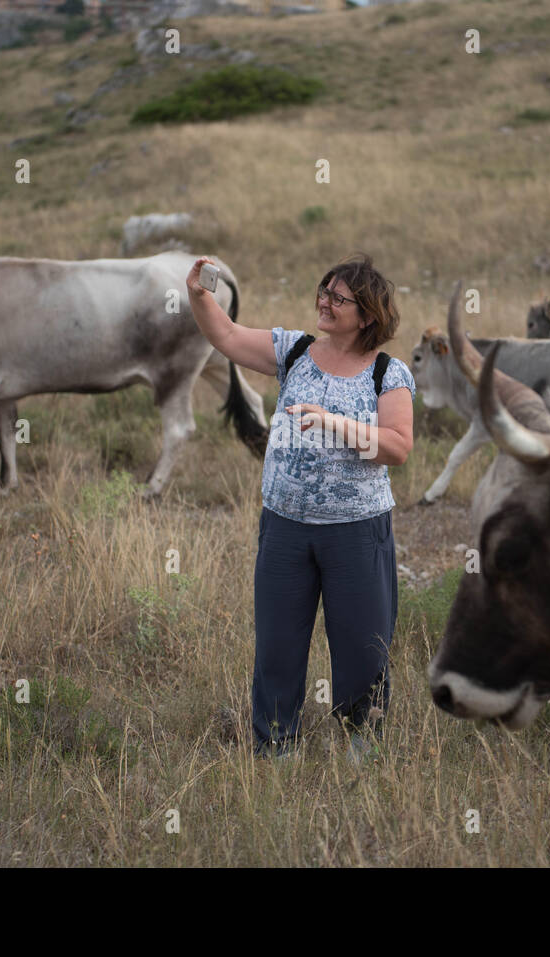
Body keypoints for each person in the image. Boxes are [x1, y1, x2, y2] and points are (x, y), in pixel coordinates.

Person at [186, 252, 415, 762]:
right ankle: (276, 745)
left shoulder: (387, 373)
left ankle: (363, 743)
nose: (325, 302)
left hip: (356, 531)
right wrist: (200, 294)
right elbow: (224, 336)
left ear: (368, 314)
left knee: (361, 643)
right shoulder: (294, 350)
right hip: (285, 527)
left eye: (339, 298)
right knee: (278, 643)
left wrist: (334, 423)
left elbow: (397, 446)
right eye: (324, 291)